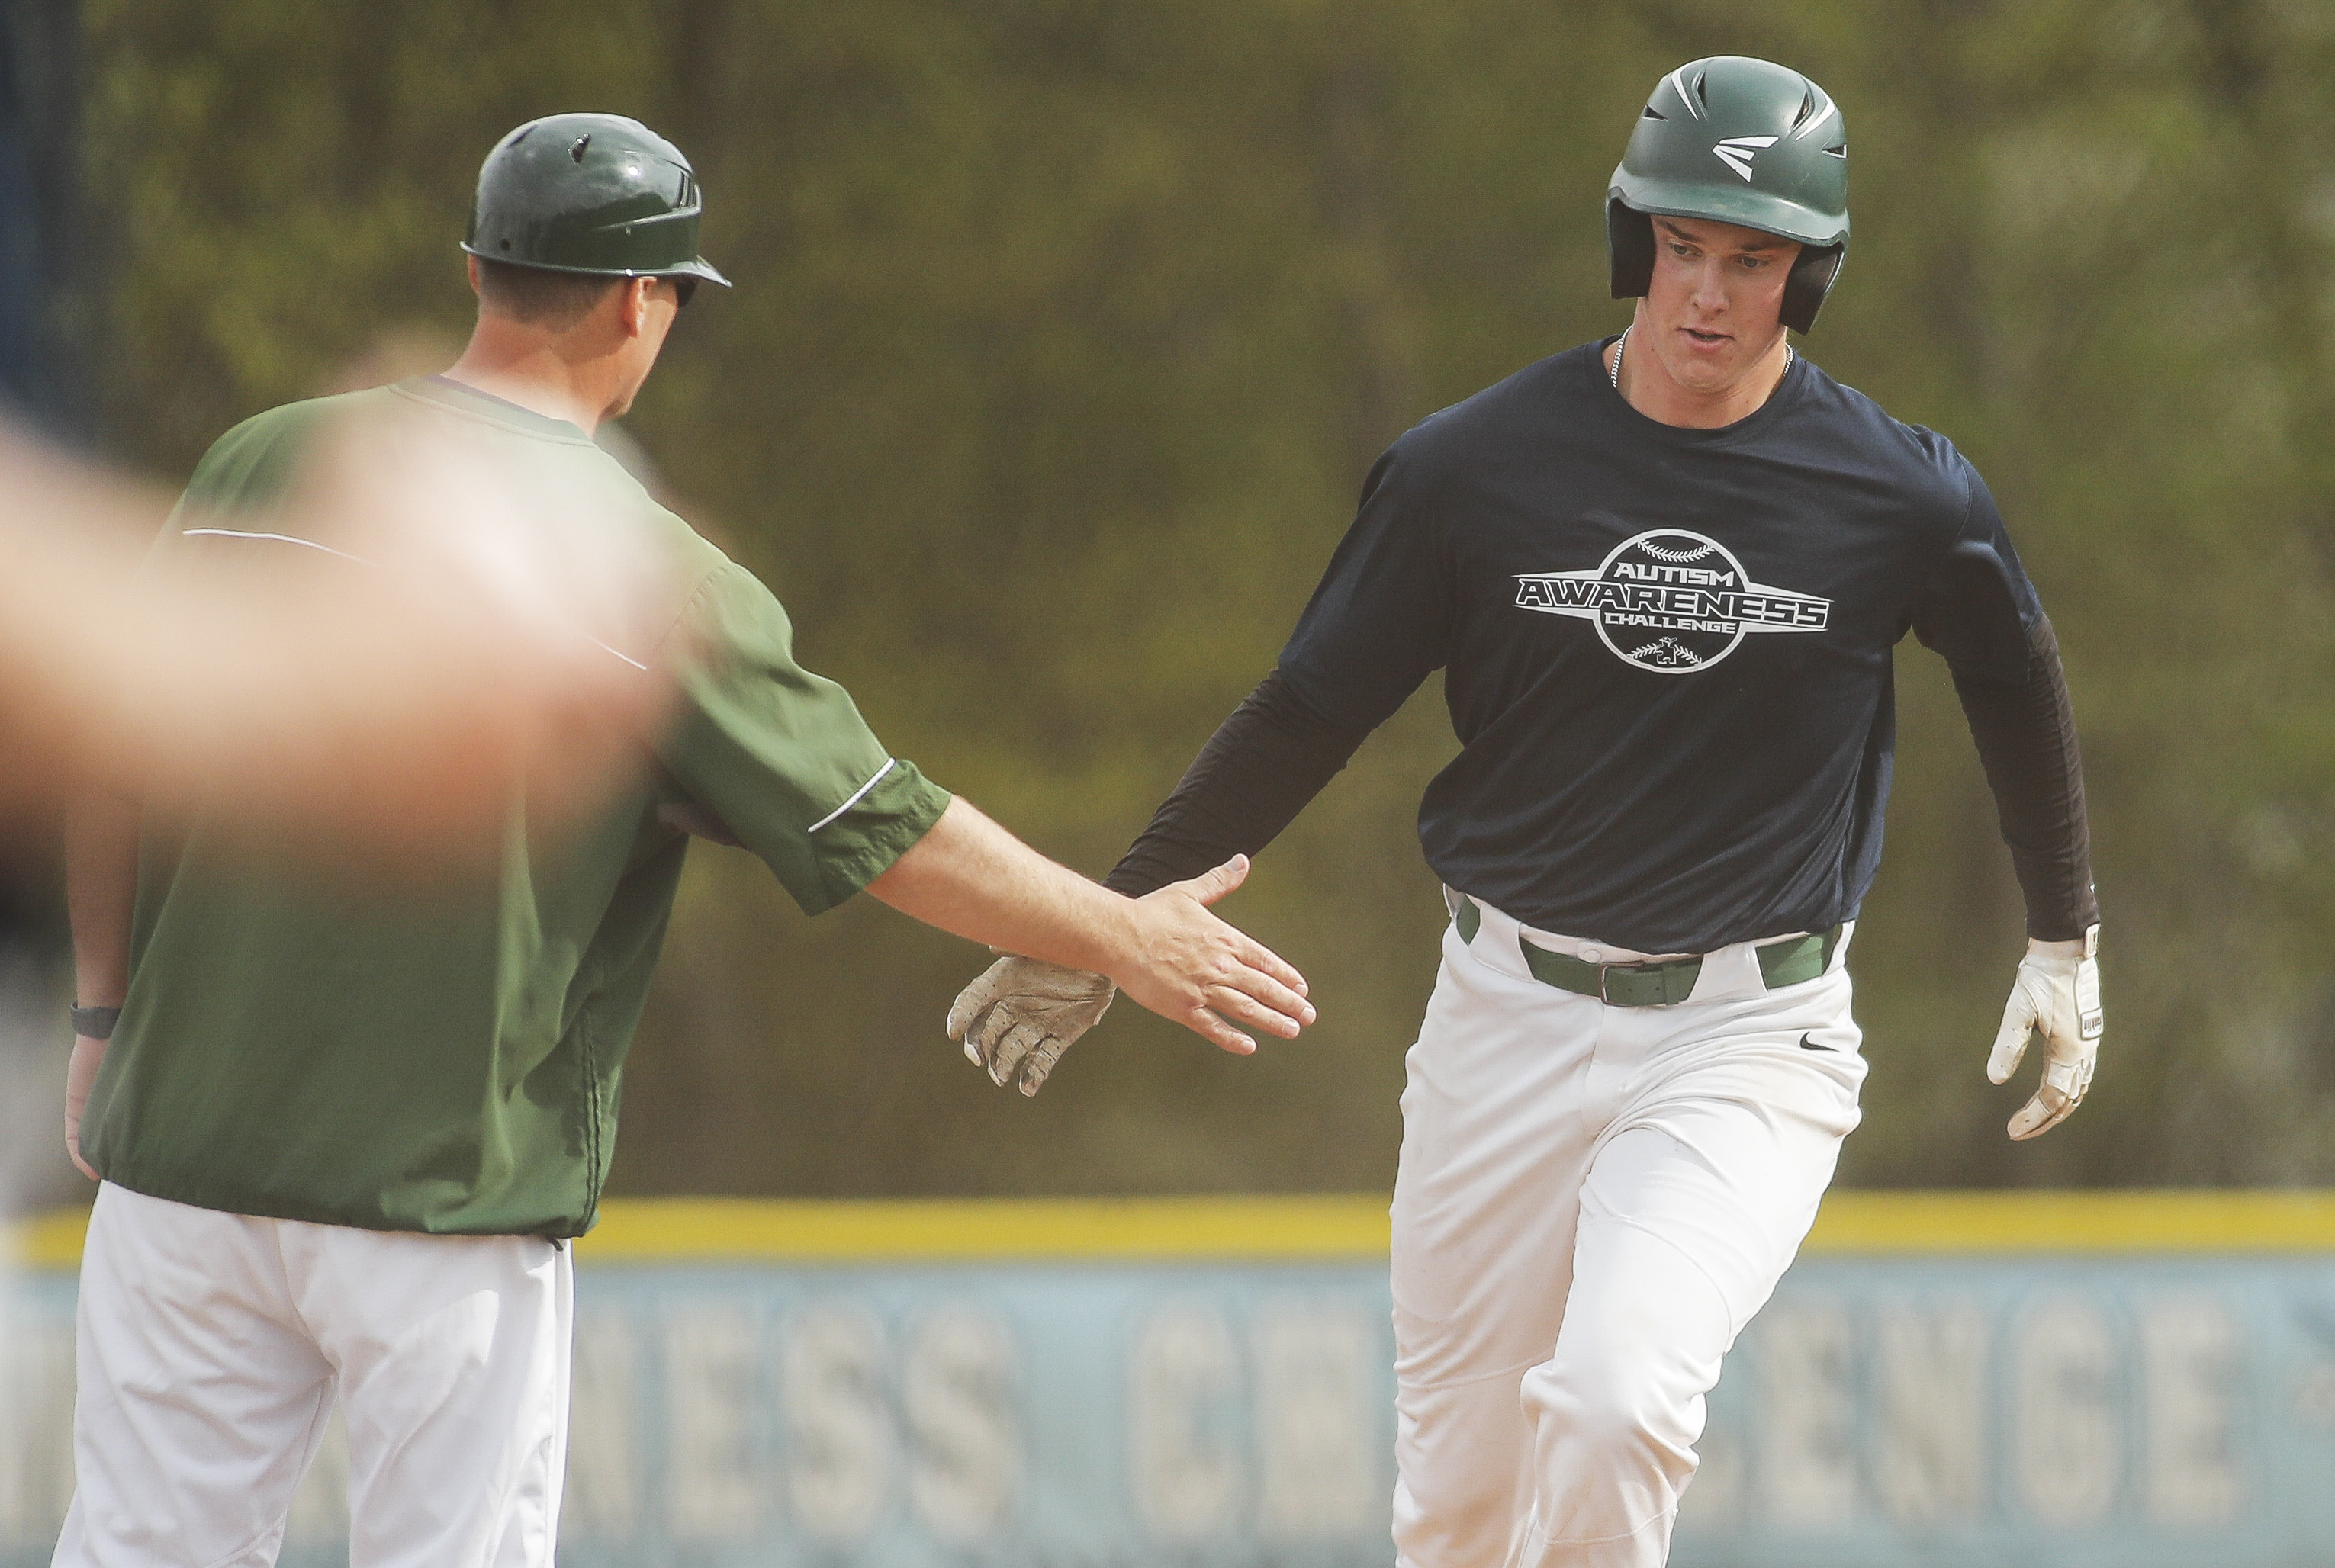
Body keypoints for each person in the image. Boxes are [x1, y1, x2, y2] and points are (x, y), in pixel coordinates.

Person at [56, 112, 1312, 1568]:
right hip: (441, 1191)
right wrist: (1124, 938)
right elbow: (878, 822)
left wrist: (106, 1013)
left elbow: (112, 756)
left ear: (477, 268)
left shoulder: (260, 465)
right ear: (648, 299)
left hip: (184, 1170)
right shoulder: (637, 569)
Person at [950, 57, 2102, 1568]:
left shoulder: (1902, 496)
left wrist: (2064, 928)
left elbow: (2013, 678)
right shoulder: (1469, 472)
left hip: (1745, 1035)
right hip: (1501, 1012)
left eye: (1750, 259)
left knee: (1620, 1400)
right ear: (1633, 242)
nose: (1706, 290)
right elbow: (1308, 707)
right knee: (1460, 1516)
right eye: (1681, 245)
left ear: (1805, 277)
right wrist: (1107, 920)